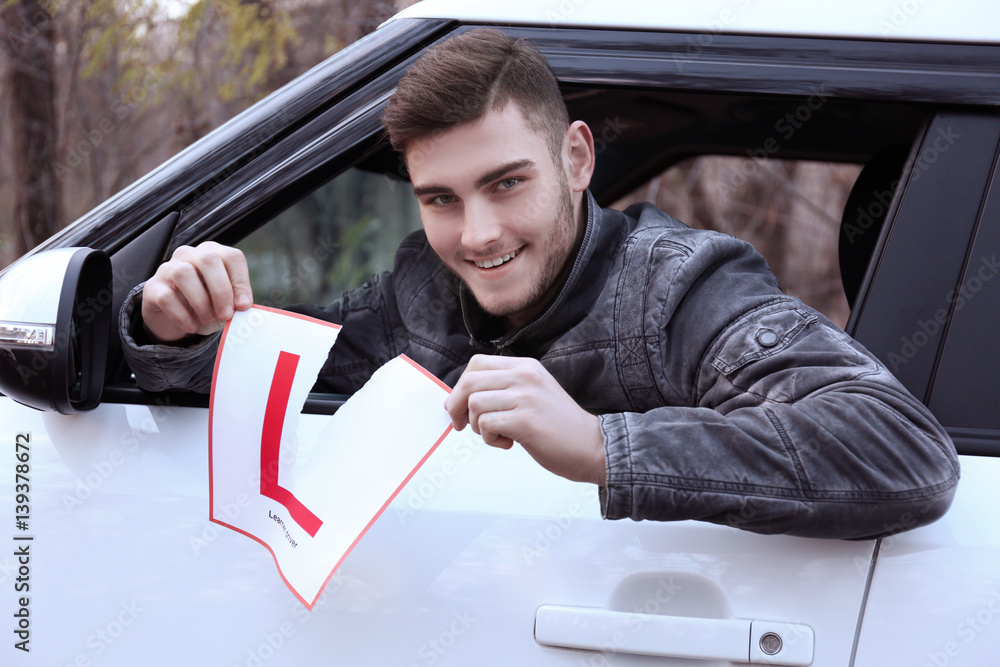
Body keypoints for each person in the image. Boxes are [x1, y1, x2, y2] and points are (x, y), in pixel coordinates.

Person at [120, 28, 959, 539]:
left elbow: (904, 451)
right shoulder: (417, 288)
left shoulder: (681, 288)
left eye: (507, 183)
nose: (476, 234)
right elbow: (285, 386)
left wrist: (604, 447)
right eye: (441, 199)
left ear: (577, 158)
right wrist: (175, 328)